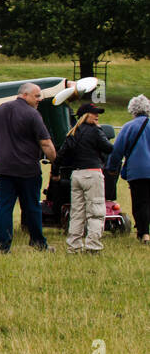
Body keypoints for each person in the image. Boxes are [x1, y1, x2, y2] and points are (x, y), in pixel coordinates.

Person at [0, 82, 57, 253]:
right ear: (24, 95)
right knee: (32, 207)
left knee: (5, 207)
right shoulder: (32, 114)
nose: (39, 99)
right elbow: (46, 142)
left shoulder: (2, 109)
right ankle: (38, 242)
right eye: (36, 96)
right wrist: (55, 161)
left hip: (4, 169)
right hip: (27, 170)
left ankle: (3, 246)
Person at [58, 102, 114, 253]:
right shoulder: (95, 131)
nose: (97, 116)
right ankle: (92, 246)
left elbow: (61, 156)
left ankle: (74, 246)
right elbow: (109, 148)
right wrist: (100, 130)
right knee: (95, 212)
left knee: (77, 213)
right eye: (94, 113)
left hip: (76, 175)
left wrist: (56, 172)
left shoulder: (72, 133)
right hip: (92, 173)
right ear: (85, 115)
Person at [107, 94, 150, 244]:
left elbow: (117, 150)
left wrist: (112, 168)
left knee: (140, 202)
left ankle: (144, 233)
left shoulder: (128, 127)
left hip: (137, 171)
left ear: (132, 110)